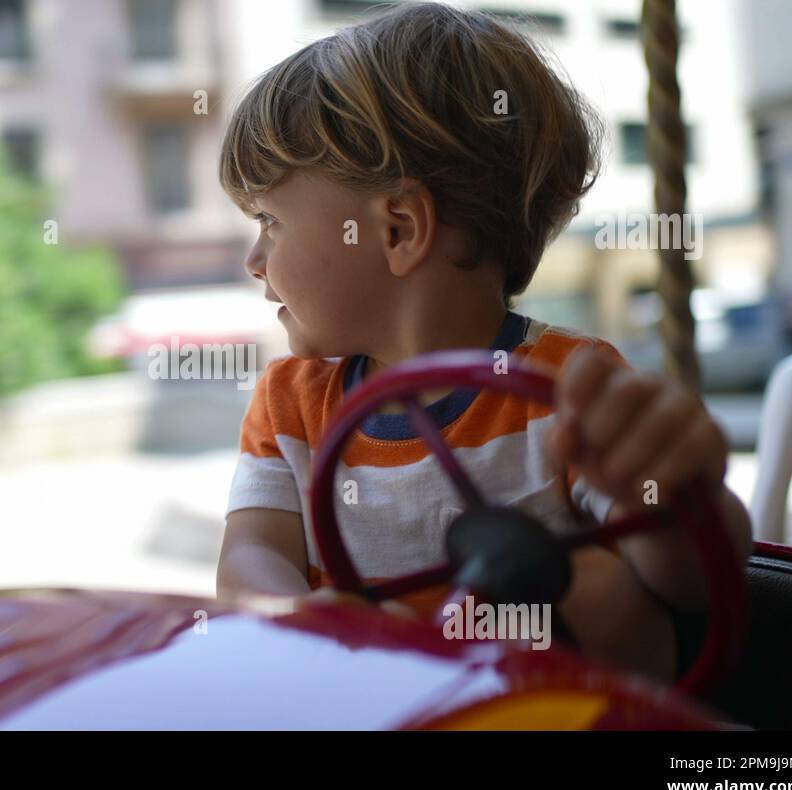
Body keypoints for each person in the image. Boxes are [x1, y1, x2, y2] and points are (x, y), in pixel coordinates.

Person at [213, 2, 753, 683]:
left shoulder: (573, 389)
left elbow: (697, 581)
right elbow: (249, 558)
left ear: (399, 229)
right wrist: (296, 616)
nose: (254, 258)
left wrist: (668, 495)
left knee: (597, 583)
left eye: (270, 220)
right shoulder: (290, 404)